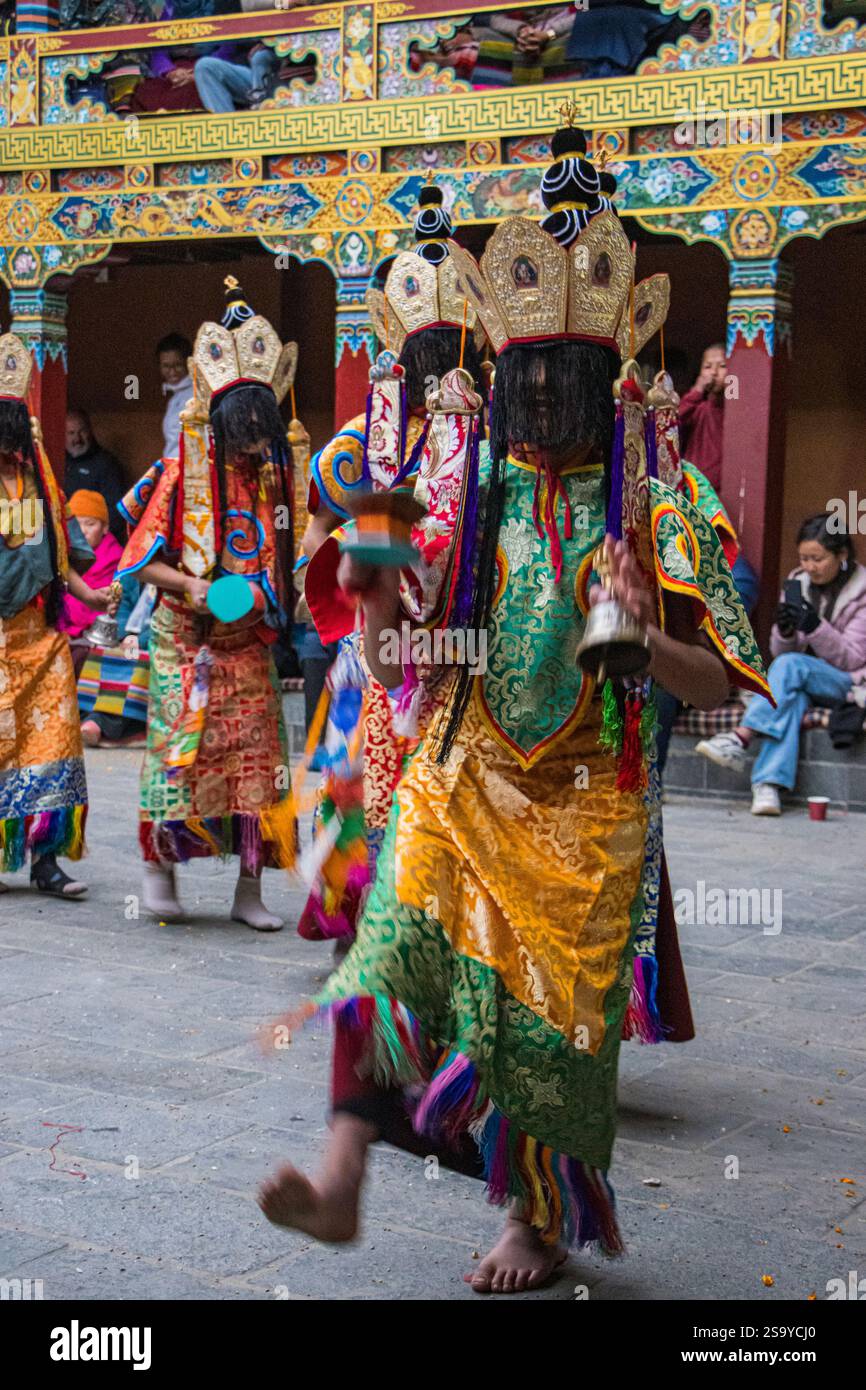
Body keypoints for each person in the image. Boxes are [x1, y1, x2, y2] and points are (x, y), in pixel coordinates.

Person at [257, 122, 770, 1290]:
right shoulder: (462, 480)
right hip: (462, 760)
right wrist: (382, 607)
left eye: (563, 376)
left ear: (606, 368)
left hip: (589, 804)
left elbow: (715, 685)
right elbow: (406, 665)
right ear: (499, 364)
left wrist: (643, 641)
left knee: (549, 1030)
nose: (540, 397)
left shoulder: (657, 492)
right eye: (523, 373)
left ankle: (532, 1223)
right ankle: (341, 1177)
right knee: (385, 950)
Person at [295, 183, 486, 945]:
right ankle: (368, 932)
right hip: (379, 644)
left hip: (457, 643)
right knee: (364, 787)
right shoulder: (358, 443)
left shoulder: (486, 435)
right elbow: (314, 539)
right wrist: (359, 585)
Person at [117, 278, 297, 929]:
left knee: (258, 770)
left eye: (262, 428)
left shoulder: (273, 477)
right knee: (175, 762)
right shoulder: (185, 470)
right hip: (185, 643)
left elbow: (283, 558)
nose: (254, 439)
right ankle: (156, 872)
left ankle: (249, 892)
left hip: (246, 646)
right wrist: (190, 585)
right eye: (246, 429)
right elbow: (138, 558)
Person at [0, 332, 109, 900]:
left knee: (53, 744)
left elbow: (56, 550)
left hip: (39, 638)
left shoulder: (37, 470)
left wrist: (86, 596)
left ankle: (45, 859)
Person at [696, 514, 866, 815]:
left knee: (790, 667)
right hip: (799, 680)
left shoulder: (862, 592)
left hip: (848, 683)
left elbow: (854, 658)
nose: (809, 567)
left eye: (817, 559)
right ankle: (767, 788)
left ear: (841, 555)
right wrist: (786, 631)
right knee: (792, 697)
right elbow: (781, 651)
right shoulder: (798, 582)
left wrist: (815, 627)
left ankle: (740, 736)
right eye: (804, 558)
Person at [78, 572, 156, 748]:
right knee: (100, 655)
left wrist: (140, 640)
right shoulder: (132, 569)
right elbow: (122, 605)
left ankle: (100, 723)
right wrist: (124, 635)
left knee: (138, 662)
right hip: (127, 638)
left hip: (157, 638)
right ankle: (91, 717)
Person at [57, 490, 123, 674]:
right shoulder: (63, 557)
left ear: (105, 527)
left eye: (90, 524)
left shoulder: (115, 559)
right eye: (76, 525)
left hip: (93, 636)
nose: (83, 532)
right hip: (63, 631)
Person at [65, 409, 126, 542]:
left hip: (97, 543)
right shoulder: (58, 460)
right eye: (71, 433)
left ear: (90, 432)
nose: (77, 439)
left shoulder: (106, 464)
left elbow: (116, 512)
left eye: (82, 431)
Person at [678, 341, 726, 491]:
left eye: (722, 366)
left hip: (723, 494)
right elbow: (672, 420)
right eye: (707, 367)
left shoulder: (737, 414)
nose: (714, 372)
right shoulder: (697, 410)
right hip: (694, 491)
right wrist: (698, 389)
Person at [157, 332, 193, 459]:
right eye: (166, 366)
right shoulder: (173, 399)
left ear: (188, 363)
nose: (172, 371)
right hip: (173, 468)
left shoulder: (197, 395)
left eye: (178, 365)